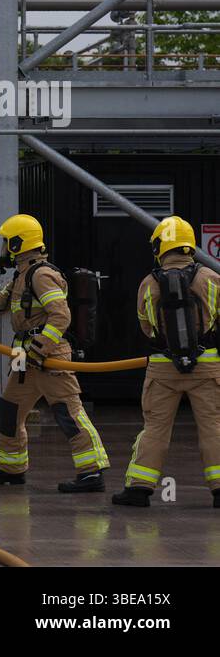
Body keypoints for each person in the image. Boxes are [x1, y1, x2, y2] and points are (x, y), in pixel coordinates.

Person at [0, 214, 111, 492]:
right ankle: (11, 468)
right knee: (9, 411)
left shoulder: (41, 275)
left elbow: (60, 316)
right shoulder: (21, 275)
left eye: (7, 243)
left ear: (19, 243)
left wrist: (41, 348)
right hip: (24, 356)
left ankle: (92, 471)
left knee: (68, 411)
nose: (3, 249)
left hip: (49, 356)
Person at [114, 216, 220, 508]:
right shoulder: (211, 278)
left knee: (156, 427)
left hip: (162, 367)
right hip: (207, 366)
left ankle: (139, 488)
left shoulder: (149, 283)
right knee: (213, 426)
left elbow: (145, 326)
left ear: (160, 246)